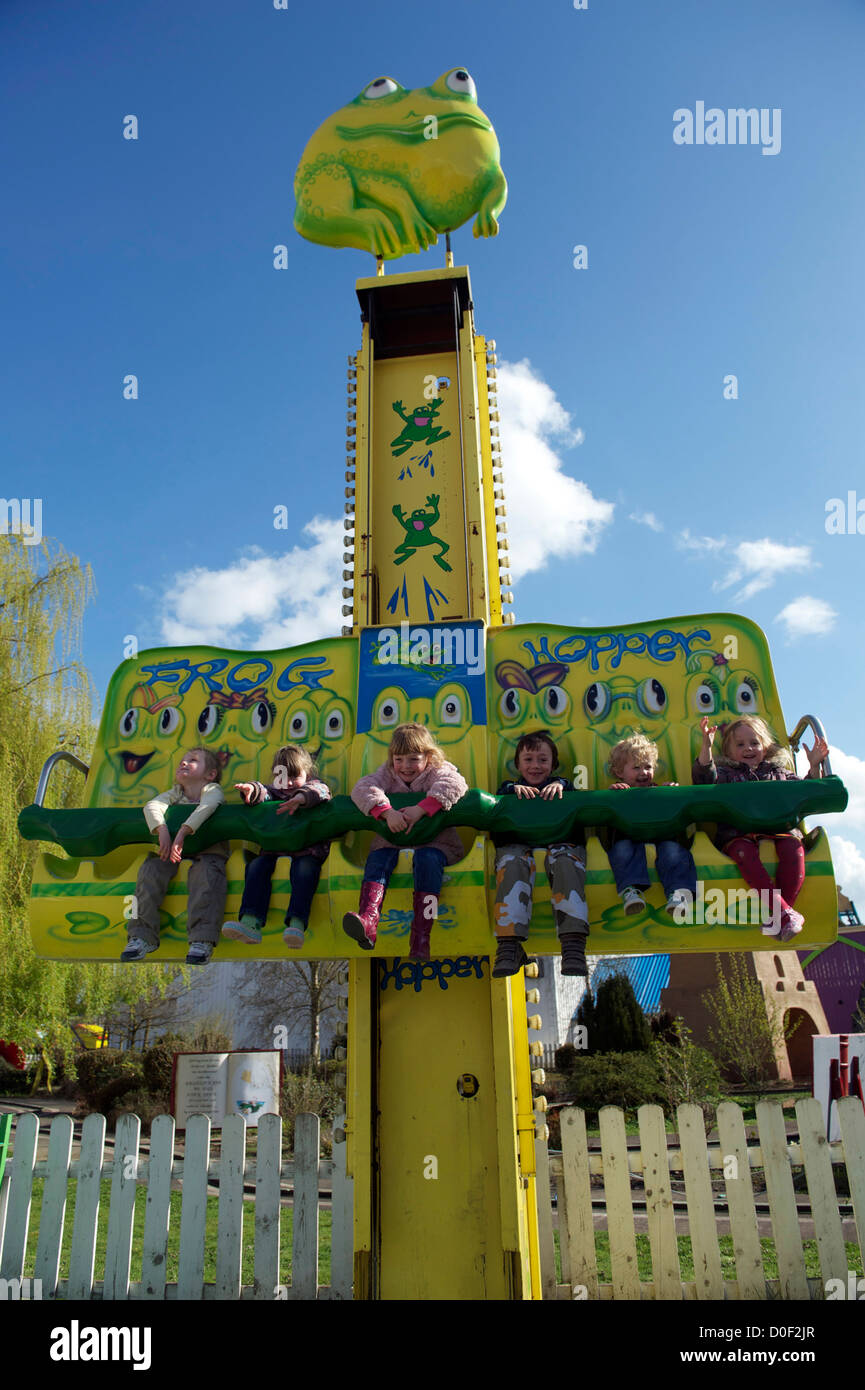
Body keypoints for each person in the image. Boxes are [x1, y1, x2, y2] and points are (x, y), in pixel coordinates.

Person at [693, 714, 828, 941]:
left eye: (754, 743)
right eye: (740, 744)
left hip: (779, 828)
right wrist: (706, 747)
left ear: (765, 746)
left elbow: (804, 793)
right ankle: (783, 913)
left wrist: (814, 768)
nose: (748, 748)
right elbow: (705, 778)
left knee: (793, 848)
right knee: (742, 851)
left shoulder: (779, 773)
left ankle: (782, 914)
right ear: (728, 752)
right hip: (739, 831)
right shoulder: (727, 774)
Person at [342, 722, 467, 961]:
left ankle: (422, 935)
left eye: (413, 759)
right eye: (399, 759)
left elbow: (455, 784)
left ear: (428, 756)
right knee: (377, 859)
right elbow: (362, 788)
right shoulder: (388, 772)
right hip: (392, 843)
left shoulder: (437, 769)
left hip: (436, 843)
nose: (405, 766)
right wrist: (387, 812)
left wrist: (422, 809)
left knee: (428, 861)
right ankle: (368, 920)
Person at [492, 730, 589, 978]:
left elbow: (571, 791)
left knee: (566, 861)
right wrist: (514, 791)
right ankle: (509, 945)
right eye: (528, 760)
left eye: (543, 760)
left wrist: (560, 785)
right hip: (519, 846)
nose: (535, 766)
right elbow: (501, 797)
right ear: (518, 764)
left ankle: (573, 944)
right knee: (511, 863)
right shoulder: (509, 788)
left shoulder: (562, 786)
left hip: (558, 844)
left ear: (553, 765)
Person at [122, 747, 227, 965]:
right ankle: (141, 934)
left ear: (210, 774)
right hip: (174, 850)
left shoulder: (213, 790)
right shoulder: (175, 794)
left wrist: (182, 831)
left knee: (207, 875)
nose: (184, 763)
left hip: (207, 848)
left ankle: (202, 938)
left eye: (193, 760)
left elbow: (208, 807)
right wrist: (161, 830)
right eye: (182, 760)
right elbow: (152, 806)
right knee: (150, 870)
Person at [222, 744, 331, 949]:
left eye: (294, 776)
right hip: (275, 849)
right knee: (256, 866)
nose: (287, 782)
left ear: (307, 773)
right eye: (280, 776)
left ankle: (297, 923)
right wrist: (251, 790)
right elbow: (263, 792)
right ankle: (250, 922)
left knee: (305, 870)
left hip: (307, 850)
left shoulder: (313, 787)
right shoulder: (274, 792)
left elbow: (322, 791)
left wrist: (301, 797)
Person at [606, 733, 698, 920]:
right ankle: (631, 892)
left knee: (673, 851)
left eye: (648, 767)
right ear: (619, 772)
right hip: (629, 838)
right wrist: (614, 796)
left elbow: (677, 811)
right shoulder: (619, 791)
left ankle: (679, 895)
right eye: (636, 767)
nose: (643, 773)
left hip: (661, 838)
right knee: (622, 849)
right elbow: (608, 813)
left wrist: (671, 794)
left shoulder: (658, 790)